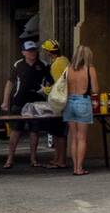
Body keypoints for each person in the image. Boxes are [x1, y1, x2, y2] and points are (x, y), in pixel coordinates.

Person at [1, 41, 53, 169]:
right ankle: (10, 158)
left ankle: (33, 159)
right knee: (15, 130)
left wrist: (46, 90)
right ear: (23, 52)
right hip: (19, 102)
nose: (32, 53)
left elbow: (52, 83)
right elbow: (10, 83)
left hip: (36, 102)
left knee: (34, 130)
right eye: (29, 51)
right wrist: (5, 101)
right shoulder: (18, 65)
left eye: (34, 51)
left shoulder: (44, 65)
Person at [63, 45, 99, 176]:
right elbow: (95, 89)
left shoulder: (68, 69)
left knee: (73, 137)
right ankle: (79, 168)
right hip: (83, 101)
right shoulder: (90, 69)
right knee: (82, 137)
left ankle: (74, 168)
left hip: (69, 102)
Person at [41, 39, 71, 169]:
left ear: (49, 52)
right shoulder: (64, 60)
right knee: (58, 132)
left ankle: (60, 160)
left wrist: (45, 89)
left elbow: (60, 85)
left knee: (58, 132)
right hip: (66, 100)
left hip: (60, 102)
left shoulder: (56, 65)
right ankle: (57, 158)